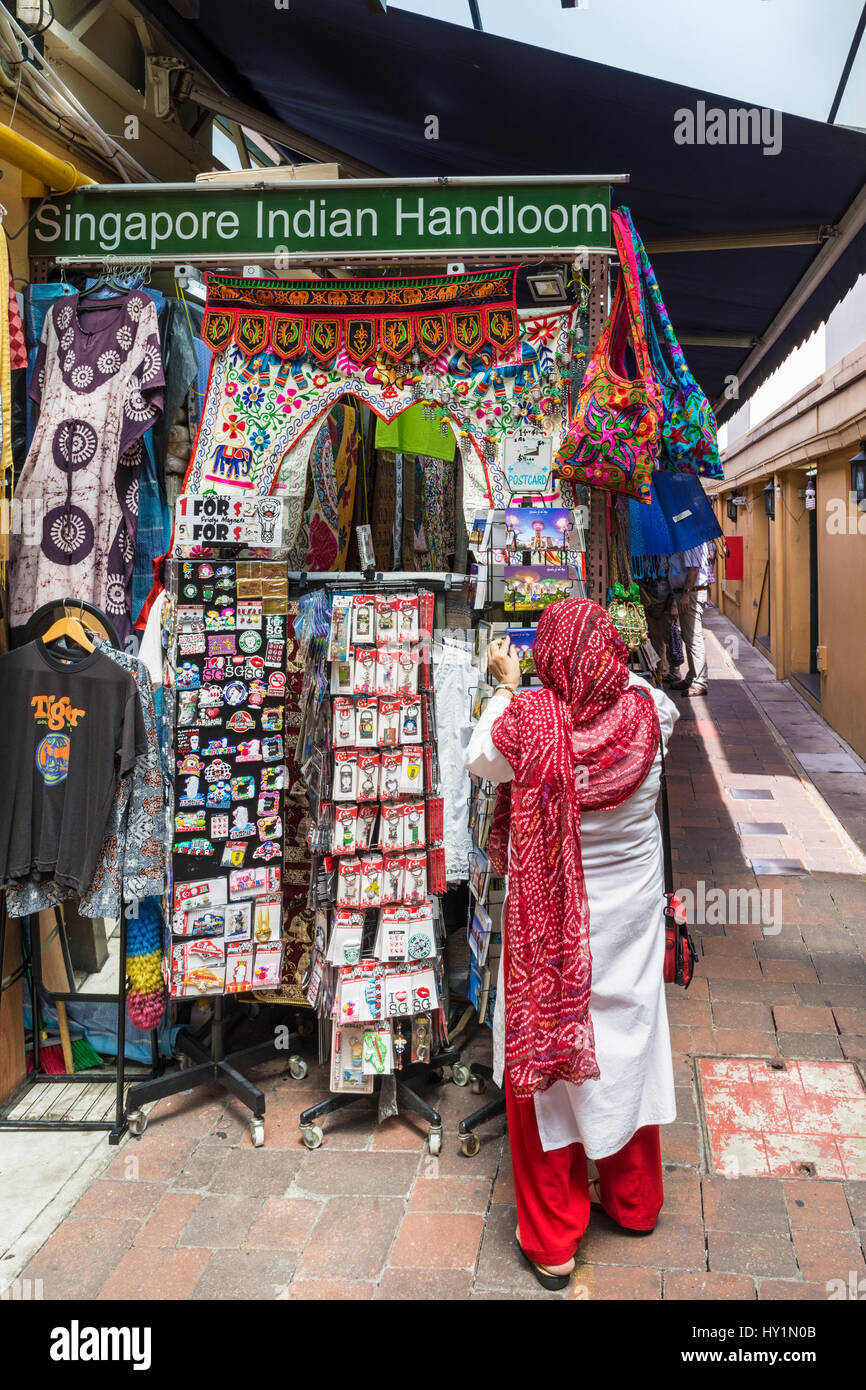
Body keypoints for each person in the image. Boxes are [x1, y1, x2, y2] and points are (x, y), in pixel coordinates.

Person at [465, 598, 678, 1291]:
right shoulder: (650, 714)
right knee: (630, 1049)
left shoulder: (524, 729)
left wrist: (505, 681)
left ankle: (554, 1239)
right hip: (632, 928)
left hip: (553, 939)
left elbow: (478, 757)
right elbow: (637, 687)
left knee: (550, 1072)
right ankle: (634, 1202)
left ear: (551, 662)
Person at [670, 540, 716, 696]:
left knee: (694, 638)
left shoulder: (691, 541)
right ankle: (692, 677)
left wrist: (686, 594)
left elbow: (694, 569)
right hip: (687, 593)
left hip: (691, 593)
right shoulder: (685, 540)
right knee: (688, 636)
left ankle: (700, 681)